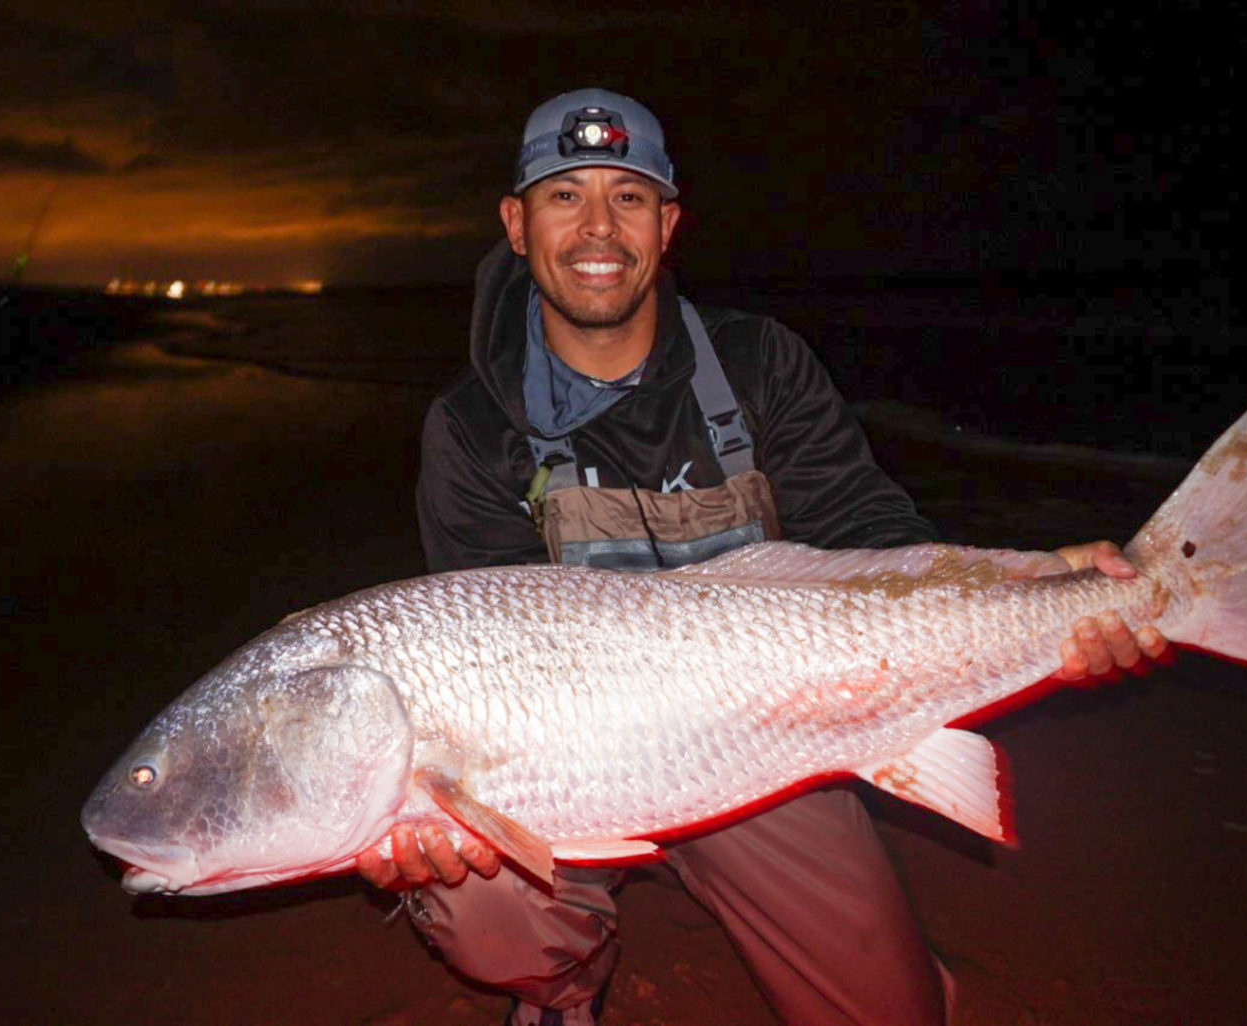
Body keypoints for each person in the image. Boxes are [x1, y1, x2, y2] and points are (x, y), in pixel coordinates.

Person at [356, 88, 1166, 1026]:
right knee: (474, 896)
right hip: (556, 770)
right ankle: (560, 991)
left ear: (667, 224)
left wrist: (1040, 584)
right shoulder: (469, 427)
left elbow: (869, 532)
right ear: (516, 221)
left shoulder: (760, 364)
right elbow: (472, 637)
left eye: (628, 197)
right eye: (564, 194)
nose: (597, 227)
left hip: (764, 737)